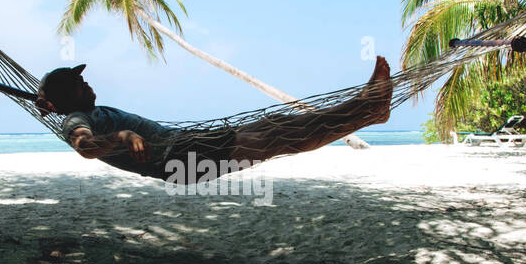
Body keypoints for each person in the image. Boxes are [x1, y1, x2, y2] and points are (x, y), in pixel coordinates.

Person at [34, 58, 393, 184]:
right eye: (80, 85)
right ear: (71, 98)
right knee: (278, 137)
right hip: (179, 159)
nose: (88, 84)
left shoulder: (77, 110)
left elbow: (75, 120)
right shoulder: (76, 120)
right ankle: (367, 110)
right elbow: (84, 145)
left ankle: (363, 109)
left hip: (186, 146)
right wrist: (122, 136)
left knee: (277, 124)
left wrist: (51, 100)